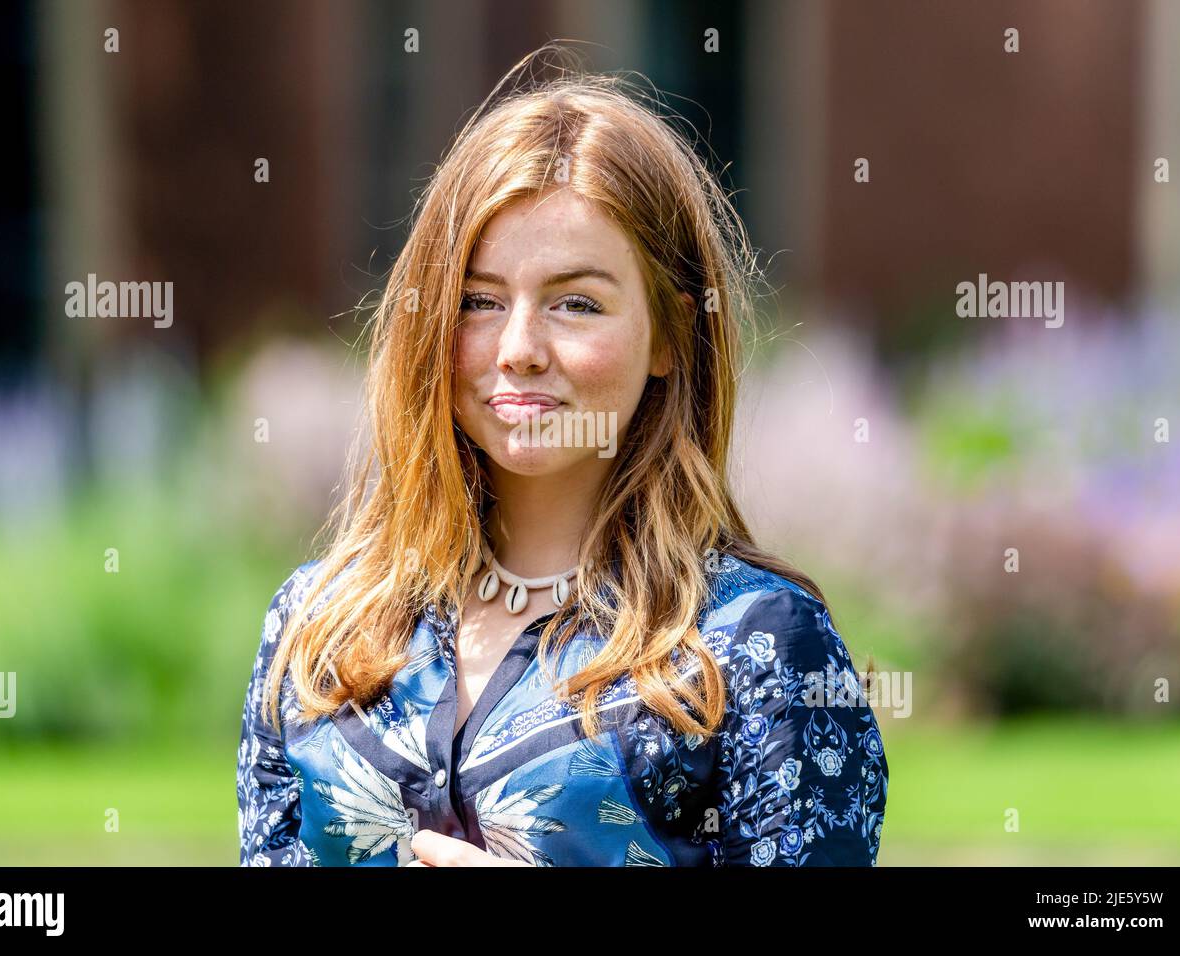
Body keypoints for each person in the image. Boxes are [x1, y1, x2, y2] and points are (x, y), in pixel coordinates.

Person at [237, 47, 887, 867]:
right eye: (478, 301)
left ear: (670, 334)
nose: (518, 349)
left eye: (576, 303)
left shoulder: (752, 645)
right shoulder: (316, 627)